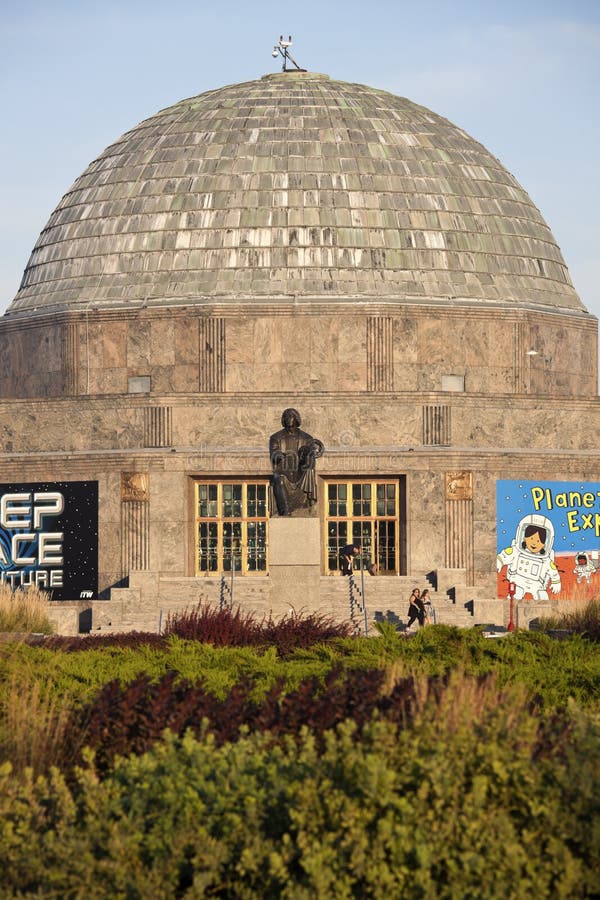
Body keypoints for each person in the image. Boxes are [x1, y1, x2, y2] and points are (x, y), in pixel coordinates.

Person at [269, 408, 324, 517]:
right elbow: (273, 453)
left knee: (310, 471)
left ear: (296, 419)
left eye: (291, 416)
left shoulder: (307, 438)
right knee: (278, 478)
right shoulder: (276, 437)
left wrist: (308, 457)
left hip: (300, 472)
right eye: (286, 417)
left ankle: (309, 505)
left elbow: (310, 456)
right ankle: (284, 511)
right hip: (284, 471)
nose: (289, 419)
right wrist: (278, 455)